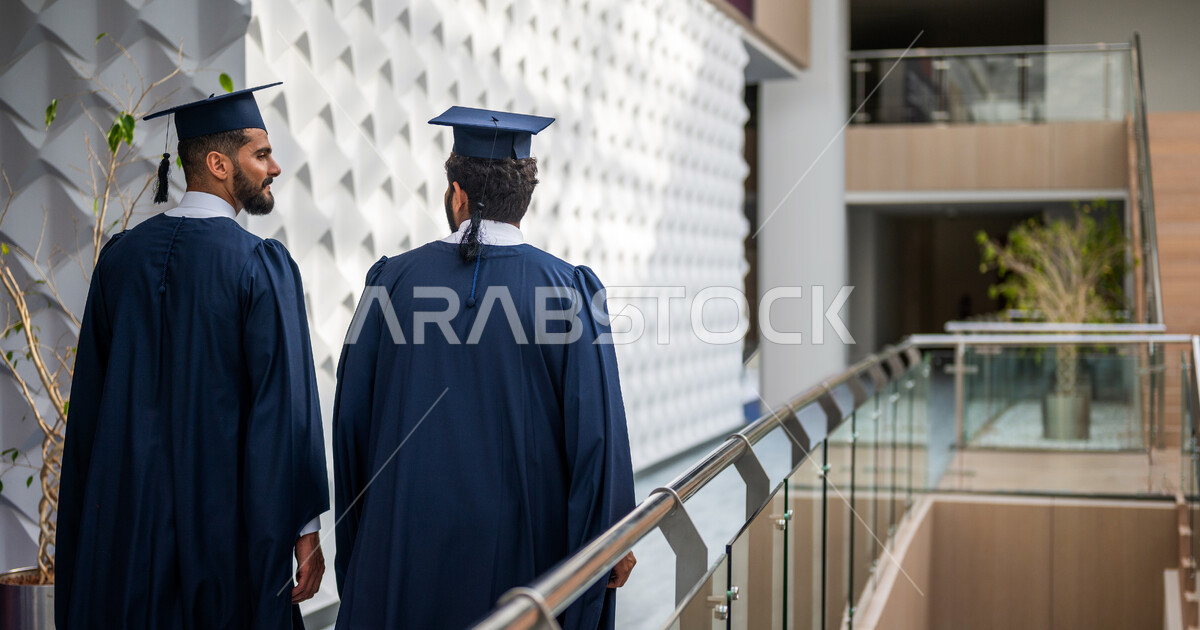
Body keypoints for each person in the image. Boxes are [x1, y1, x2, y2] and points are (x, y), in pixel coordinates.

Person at [332, 106, 636, 629]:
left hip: (403, 547)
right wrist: (612, 535)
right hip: (528, 560)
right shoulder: (569, 291)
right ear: (526, 199)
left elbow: (351, 423)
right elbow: (597, 433)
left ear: (457, 194)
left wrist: (364, 543)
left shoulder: (390, 283)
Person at [56, 83, 329, 629]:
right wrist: (304, 527)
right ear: (218, 164)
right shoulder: (259, 266)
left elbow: (88, 411)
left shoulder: (120, 260)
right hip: (221, 539)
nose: (275, 168)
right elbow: (283, 411)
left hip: (127, 538)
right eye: (261, 154)